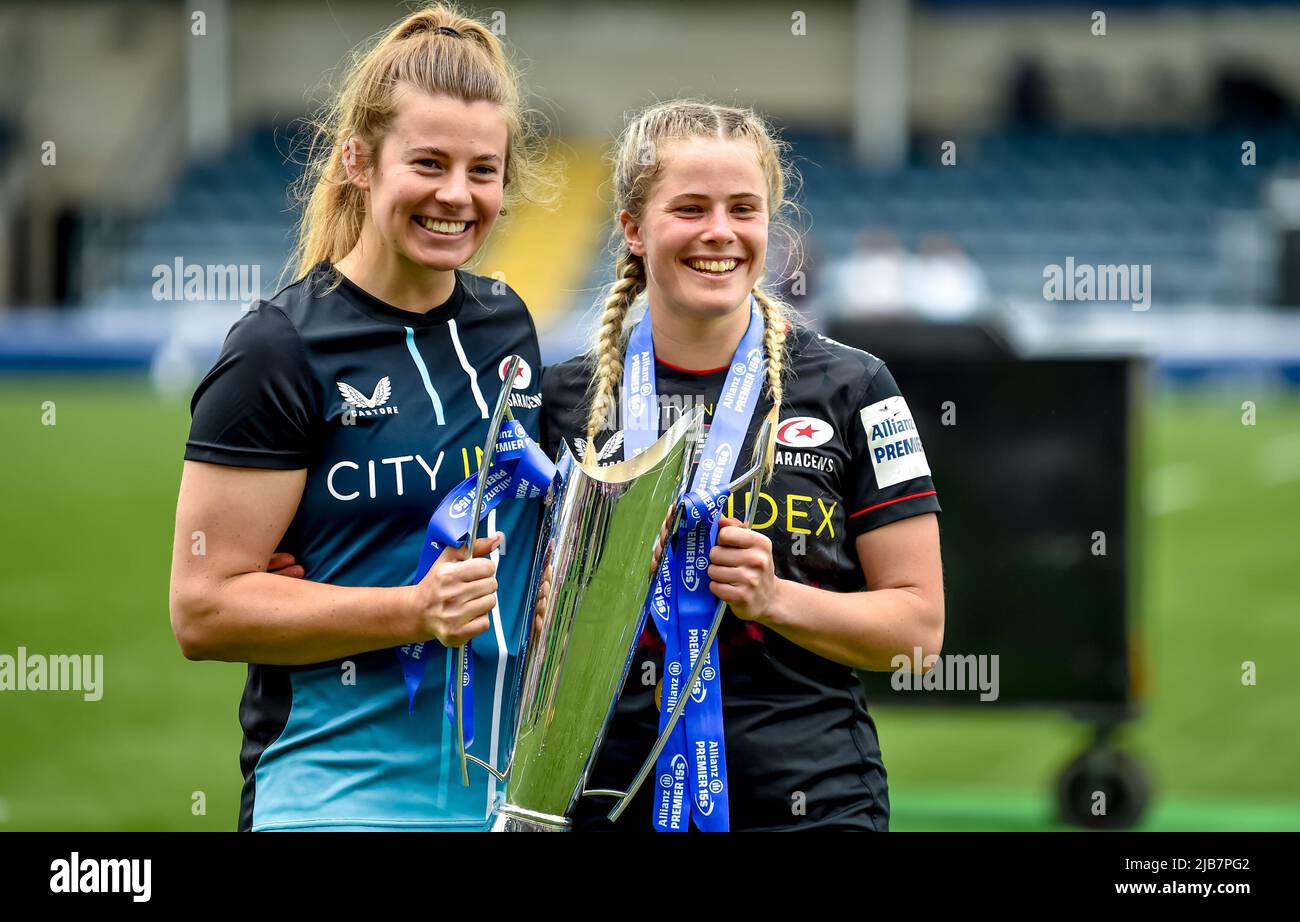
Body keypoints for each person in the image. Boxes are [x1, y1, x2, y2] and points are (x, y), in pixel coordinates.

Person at [167, 4, 551, 831]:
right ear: (358, 162)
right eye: (428, 163)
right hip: (331, 793)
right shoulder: (277, 348)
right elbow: (201, 609)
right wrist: (409, 612)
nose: (458, 195)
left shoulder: (508, 325)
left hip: (499, 796)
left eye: (484, 170)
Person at [541, 100, 945, 831]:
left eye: (743, 208)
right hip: (606, 803)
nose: (719, 233)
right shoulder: (567, 402)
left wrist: (775, 597)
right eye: (689, 208)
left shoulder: (855, 389)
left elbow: (917, 632)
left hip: (813, 805)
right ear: (633, 229)